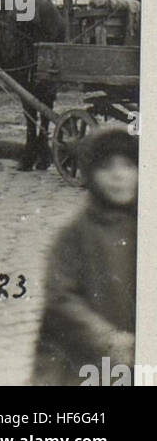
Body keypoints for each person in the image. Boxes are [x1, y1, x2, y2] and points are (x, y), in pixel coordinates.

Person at [32, 127, 137, 386]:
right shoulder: (76, 234)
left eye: (127, 165)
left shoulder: (145, 227)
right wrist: (108, 338)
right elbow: (61, 298)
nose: (118, 176)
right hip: (87, 362)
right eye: (107, 167)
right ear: (90, 175)